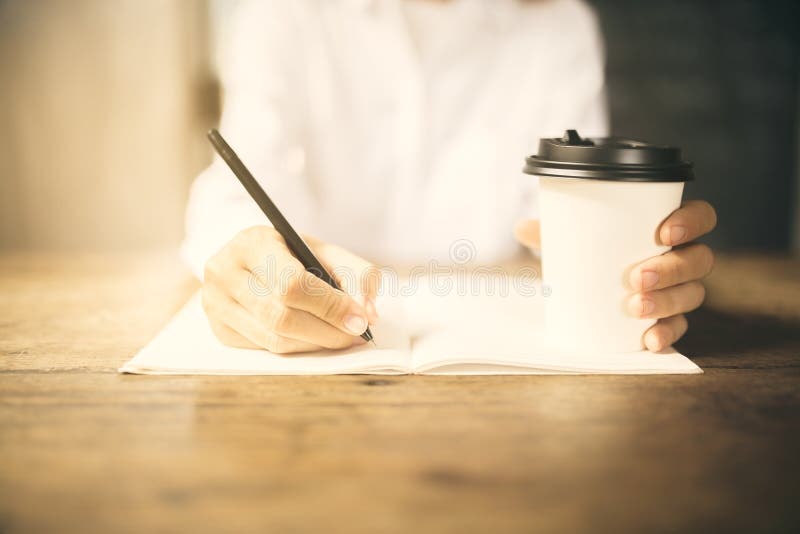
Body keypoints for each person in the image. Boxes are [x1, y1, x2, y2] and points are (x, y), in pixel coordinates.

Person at [183, 0, 717, 354]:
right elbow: (234, 196)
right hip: (326, 348)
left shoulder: (558, 23)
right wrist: (244, 259)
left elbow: (558, 212)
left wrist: (631, 256)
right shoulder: (282, 15)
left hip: (505, 344)